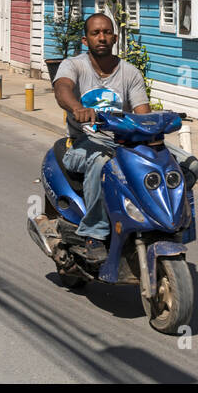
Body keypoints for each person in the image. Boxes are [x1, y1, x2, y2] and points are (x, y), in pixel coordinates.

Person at [52, 13, 152, 262]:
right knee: (101, 162)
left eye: (107, 32)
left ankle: (168, 223)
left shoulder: (130, 73)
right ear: (85, 40)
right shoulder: (73, 65)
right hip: (84, 144)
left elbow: (142, 114)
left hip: (123, 143)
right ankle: (94, 234)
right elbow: (62, 88)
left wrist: (149, 127)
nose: (102, 37)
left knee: (181, 163)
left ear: (115, 38)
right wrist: (76, 107)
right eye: (96, 33)